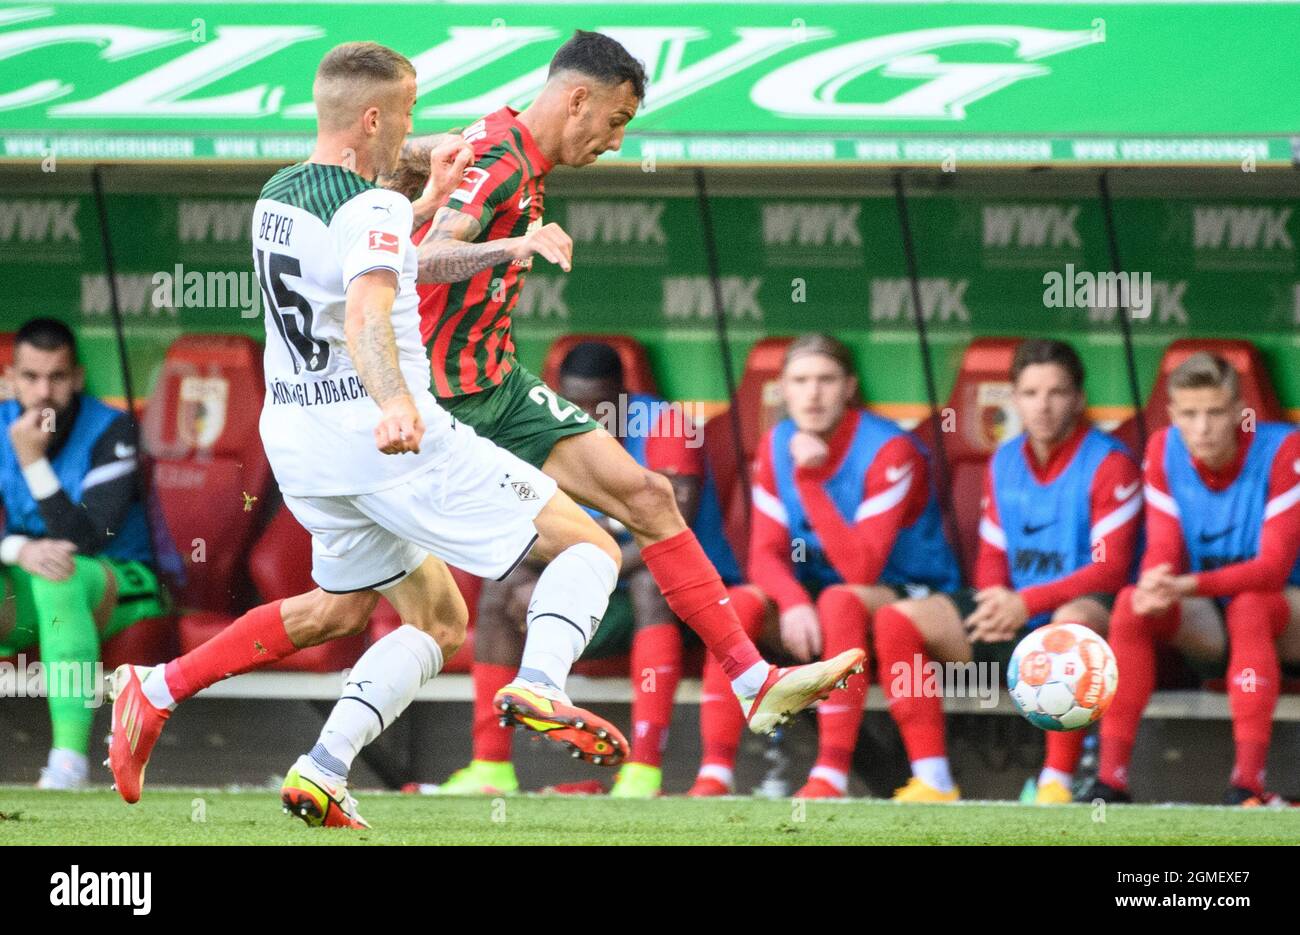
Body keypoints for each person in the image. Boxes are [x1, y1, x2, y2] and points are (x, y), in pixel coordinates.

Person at [106, 41, 636, 828]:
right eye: (410, 115)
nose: (413, 131)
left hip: (302, 446)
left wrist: (428, 197)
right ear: (377, 117)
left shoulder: (280, 196)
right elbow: (364, 309)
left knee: (376, 614)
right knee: (592, 547)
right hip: (386, 439)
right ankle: (543, 682)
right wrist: (394, 401)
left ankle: (195, 707)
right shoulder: (373, 208)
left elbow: (361, 255)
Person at [407, 30, 863, 738]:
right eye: (617, 121)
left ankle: (754, 681)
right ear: (578, 98)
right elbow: (429, 256)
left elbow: (416, 181)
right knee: (571, 552)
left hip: (494, 382)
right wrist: (515, 245)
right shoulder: (498, 159)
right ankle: (174, 696)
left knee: (647, 498)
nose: (617, 142)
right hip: (445, 404)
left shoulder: (501, 142)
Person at [433, 341, 743, 798]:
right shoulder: (539, 423)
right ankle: (490, 767)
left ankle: (644, 771)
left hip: (680, 602)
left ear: (624, 395)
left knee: (649, 583)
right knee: (503, 585)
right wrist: (547, 579)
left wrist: (575, 576)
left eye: (600, 405)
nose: (586, 415)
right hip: (588, 587)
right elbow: (517, 524)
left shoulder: (663, 424)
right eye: (573, 403)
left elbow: (665, 535)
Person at [688, 334, 961, 799]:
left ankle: (829, 775)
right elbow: (765, 555)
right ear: (784, 390)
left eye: (826, 380)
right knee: (737, 604)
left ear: (849, 386)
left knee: (840, 599)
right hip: (818, 593)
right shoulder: (779, 443)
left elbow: (861, 569)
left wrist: (811, 480)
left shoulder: (889, 449)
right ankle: (713, 774)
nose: (813, 393)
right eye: (800, 381)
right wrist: (793, 602)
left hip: (909, 589)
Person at [874, 339, 1142, 803]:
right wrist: (995, 599)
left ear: (1078, 398)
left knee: (1070, 625)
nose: (1043, 405)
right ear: (1015, 398)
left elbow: (1109, 569)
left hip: (1077, 613)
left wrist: (1026, 603)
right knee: (896, 620)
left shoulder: (1110, 462)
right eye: (1031, 392)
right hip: (1015, 614)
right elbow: (993, 556)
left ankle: (1055, 783)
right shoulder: (1005, 459)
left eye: (1056, 392)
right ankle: (933, 780)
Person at [1092, 352, 1300, 806]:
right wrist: (1154, 583)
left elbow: (1272, 568)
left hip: (1286, 608)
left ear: (1240, 411)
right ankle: (1109, 783)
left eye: (1215, 412)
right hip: (1214, 608)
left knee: (1251, 603)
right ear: (1172, 415)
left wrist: (1183, 586)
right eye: (1189, 414)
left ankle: (1247, 785)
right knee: (1131, 602)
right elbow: (1164, 545)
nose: (1202, 427)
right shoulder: (1163, 448)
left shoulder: (1286, 450)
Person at [0, 317, 169, 789]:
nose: (44, 392)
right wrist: (17, 547)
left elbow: (89, 538)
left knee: (63, 571)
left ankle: (68, 764)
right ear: (10, 379)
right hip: (30, 575)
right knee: (49, 572)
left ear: (76, 378)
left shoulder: (114, 429)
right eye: (30, 378)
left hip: (121, 578)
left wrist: (32, 460)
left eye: (56, 377)